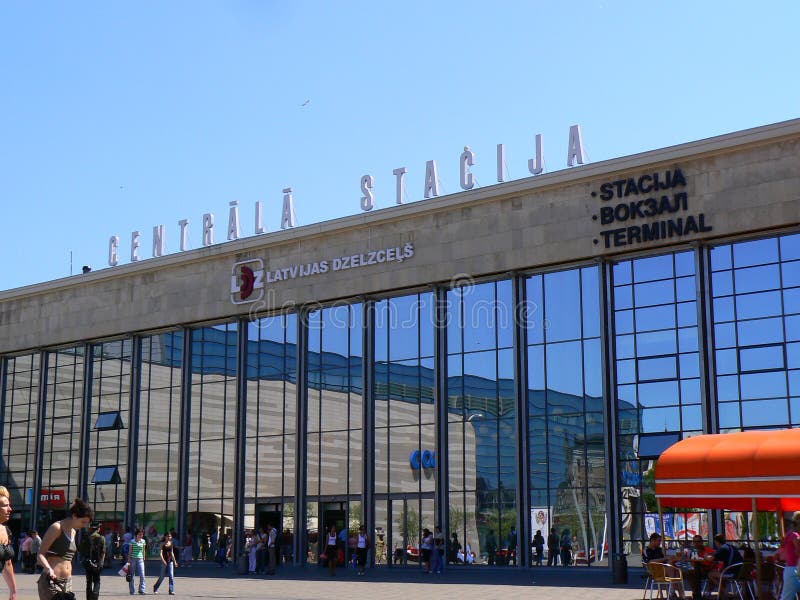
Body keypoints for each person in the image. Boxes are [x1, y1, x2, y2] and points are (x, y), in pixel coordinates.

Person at [37, 497, 93, 600]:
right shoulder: (57, 528)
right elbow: (40, 554)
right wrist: (49, 569)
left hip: (67, 582)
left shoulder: (73, 532)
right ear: (74, 516)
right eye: (83, 522)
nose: (84, 526)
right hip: (52, 581)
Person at [706, 533, 743, 599]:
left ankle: (725, 592)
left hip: (732, 573)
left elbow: (710, 558)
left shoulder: (723, 549)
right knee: (720, 572)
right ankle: (719, 595)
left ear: (716, 542)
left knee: (710, 574)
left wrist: (705, 556)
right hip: (740, 571)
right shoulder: (731, 547)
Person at [0, 486, 18, 600]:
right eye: (5, 505)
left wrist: (13, 591)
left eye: (9, 505)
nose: (10, 509)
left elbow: (7, 563)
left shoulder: (5, 530)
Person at [81, 523, 105, 600]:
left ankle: (89, 598)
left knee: (89, 581)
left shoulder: (85, 537)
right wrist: (101, 562)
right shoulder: (101, 538)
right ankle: (95, 595)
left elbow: (81, 549)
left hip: (87, 562)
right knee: (97, 580)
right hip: (97, 562)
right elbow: (103, 552)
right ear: (98, 529)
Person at [779, 512, 800, 600]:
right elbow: (798, 551)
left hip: (791, 569)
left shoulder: (789, 535)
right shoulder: (795, 536)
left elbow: (780, 554)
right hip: (794, 570)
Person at [126, 528, 147, 595]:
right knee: (132, 575)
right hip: (133, 559)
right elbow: (130, 551)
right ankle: (132, 591)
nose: (141, 536)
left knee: (142, 575)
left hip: (140, 560)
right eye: (139, 534)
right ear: (136, 534)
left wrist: (144, 558)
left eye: (142, 534)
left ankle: (141, 590)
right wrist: (128, 560)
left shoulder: (143, 541)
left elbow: (143, 550)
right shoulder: (132, 541)